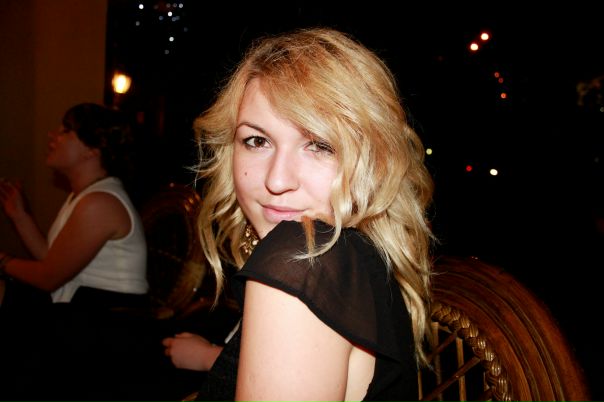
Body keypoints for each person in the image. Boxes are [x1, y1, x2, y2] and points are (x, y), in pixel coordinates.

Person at [187, 27, 435, 402]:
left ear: (375, 160)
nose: (277, 180)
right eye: (257, 140)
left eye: (319, 145)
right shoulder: (356, 257)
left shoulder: (301, 262)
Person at [0, 102, 151, 401]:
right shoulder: (83, 196)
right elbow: (51, 261)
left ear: (92, 150)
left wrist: (2, 261)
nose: (52, 135)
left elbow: (48, 277)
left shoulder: (100, 202)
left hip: (107, 326)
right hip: (83, 311)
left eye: (65, 130)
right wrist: (20, 216)